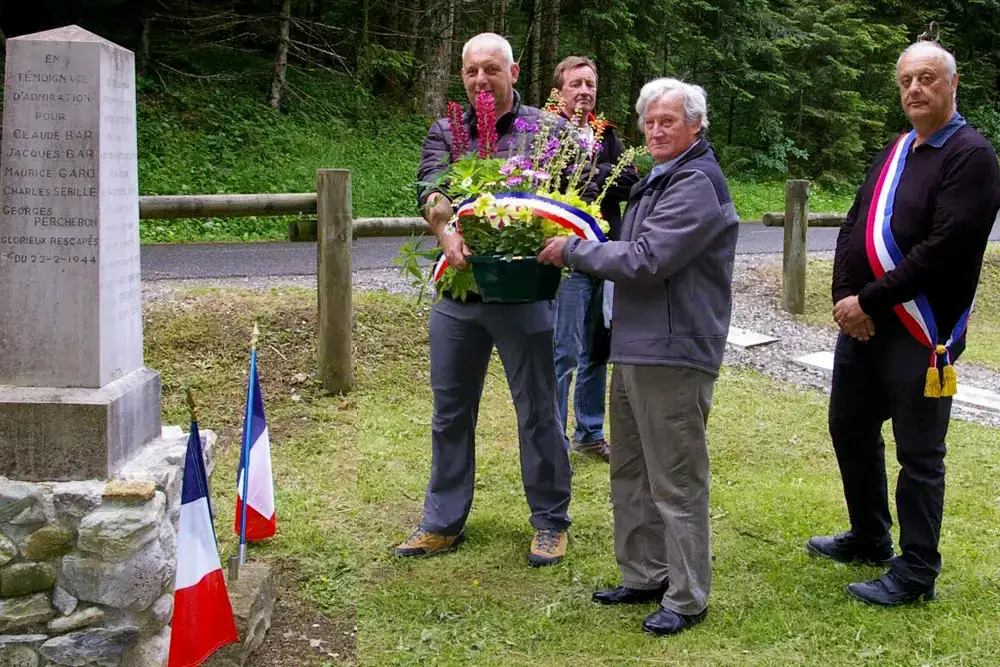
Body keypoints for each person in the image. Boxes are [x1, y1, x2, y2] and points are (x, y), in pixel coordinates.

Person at [538, 77, 739, 635]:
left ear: (695, 125)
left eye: (667, 121)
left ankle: (687, 596)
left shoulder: (695, 182)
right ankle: (645, 573)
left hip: (674, 350)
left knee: (675, 477)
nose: (655, 130)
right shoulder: (658, 178)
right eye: (649, 122)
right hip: (634, 345)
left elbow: (648, 259)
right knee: (630, 469)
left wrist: (573, 250)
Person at [806, 40, 1000, 605]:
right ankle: (870, 536)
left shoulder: (972, 156)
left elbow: (945, 249)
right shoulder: (895, 150)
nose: (915, 88)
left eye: (927, 78)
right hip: (867, 324)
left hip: (922, 330)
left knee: (919, 454)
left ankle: (916, 572)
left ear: (952, 84)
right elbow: (854, 225)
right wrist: (845, 296)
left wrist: (868, 300)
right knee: (849, 426)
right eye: (907, 80)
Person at [392, 32, 573, 567]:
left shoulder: (547, 131)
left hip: (525, 293)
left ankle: (550, 521)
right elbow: (431, 187)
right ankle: (441, 522)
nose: (480, 80)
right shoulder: (446, 130)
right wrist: (446, 228)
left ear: (513, 72)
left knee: (539, 410)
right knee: (450, 411)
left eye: (491, 69)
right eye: (471, 71)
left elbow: (574, 194)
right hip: (460, 291)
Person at [549, 56, 637, 463]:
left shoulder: (607, 134)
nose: (585, 91)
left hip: (605, 254)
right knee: (563, 351)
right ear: (559, 91)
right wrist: (605, 174)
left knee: (598, 349)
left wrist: (590, 173)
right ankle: (553, 437)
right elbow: (551, 178)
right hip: (566, 258)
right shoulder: (545, 132)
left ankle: (589, 432)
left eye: (590, 84)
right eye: (576, 84)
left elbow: (631, 180)